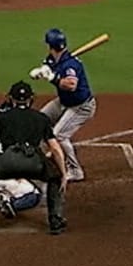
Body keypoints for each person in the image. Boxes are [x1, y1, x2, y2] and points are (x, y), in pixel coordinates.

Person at [0, 80, 69, 236]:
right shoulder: (41, 118)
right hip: (34, 161)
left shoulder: (2, 116)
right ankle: (55, 220)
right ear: (31, 99)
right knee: (54, 177)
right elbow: (55, 148)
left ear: (11, 99)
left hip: (7, 161)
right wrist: (63, 174)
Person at [29, 28, 96, 182]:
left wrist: (52, 78)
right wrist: (42, 71)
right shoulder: (54, 59)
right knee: (40, 120)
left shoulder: (70, 65)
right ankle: (43, 158)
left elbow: (71, 85)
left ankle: (75, 170)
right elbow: (48, 65)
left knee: (59, 136)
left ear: (50, 45)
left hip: (81, 107)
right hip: (64, 102)